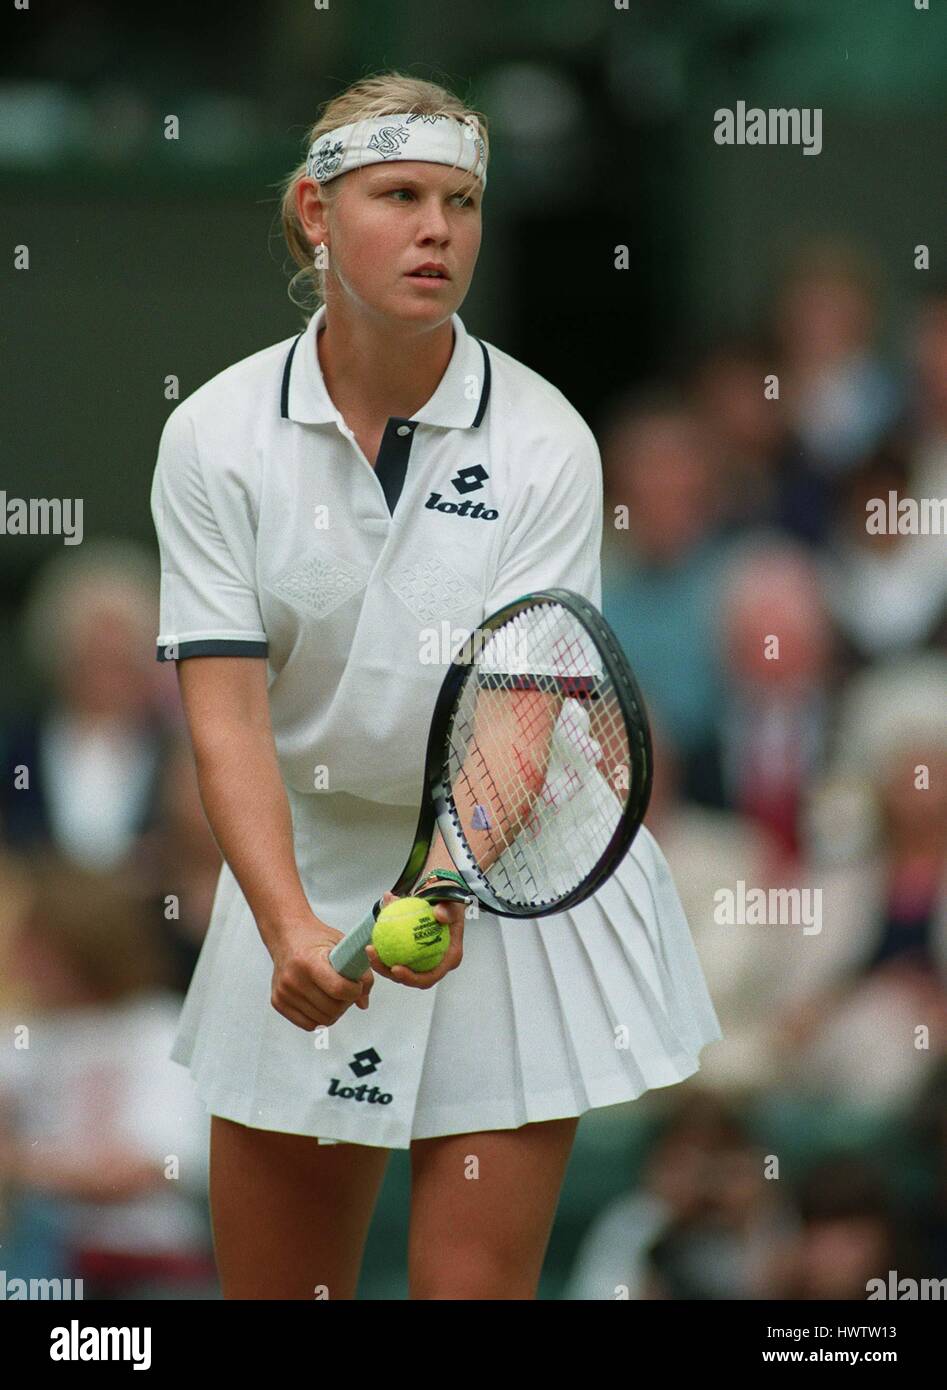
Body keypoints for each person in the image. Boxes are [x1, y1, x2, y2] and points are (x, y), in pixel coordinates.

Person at [150, 71, 721, 1300]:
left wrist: (441, 887)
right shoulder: (210, 436)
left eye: (460, 202)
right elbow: (227, 719)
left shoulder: (547, 439)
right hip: (299, 866)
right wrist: (288, 924)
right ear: (315, 212)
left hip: (501, 875)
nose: (437, 230)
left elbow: (519, 718)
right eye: (398, 195)